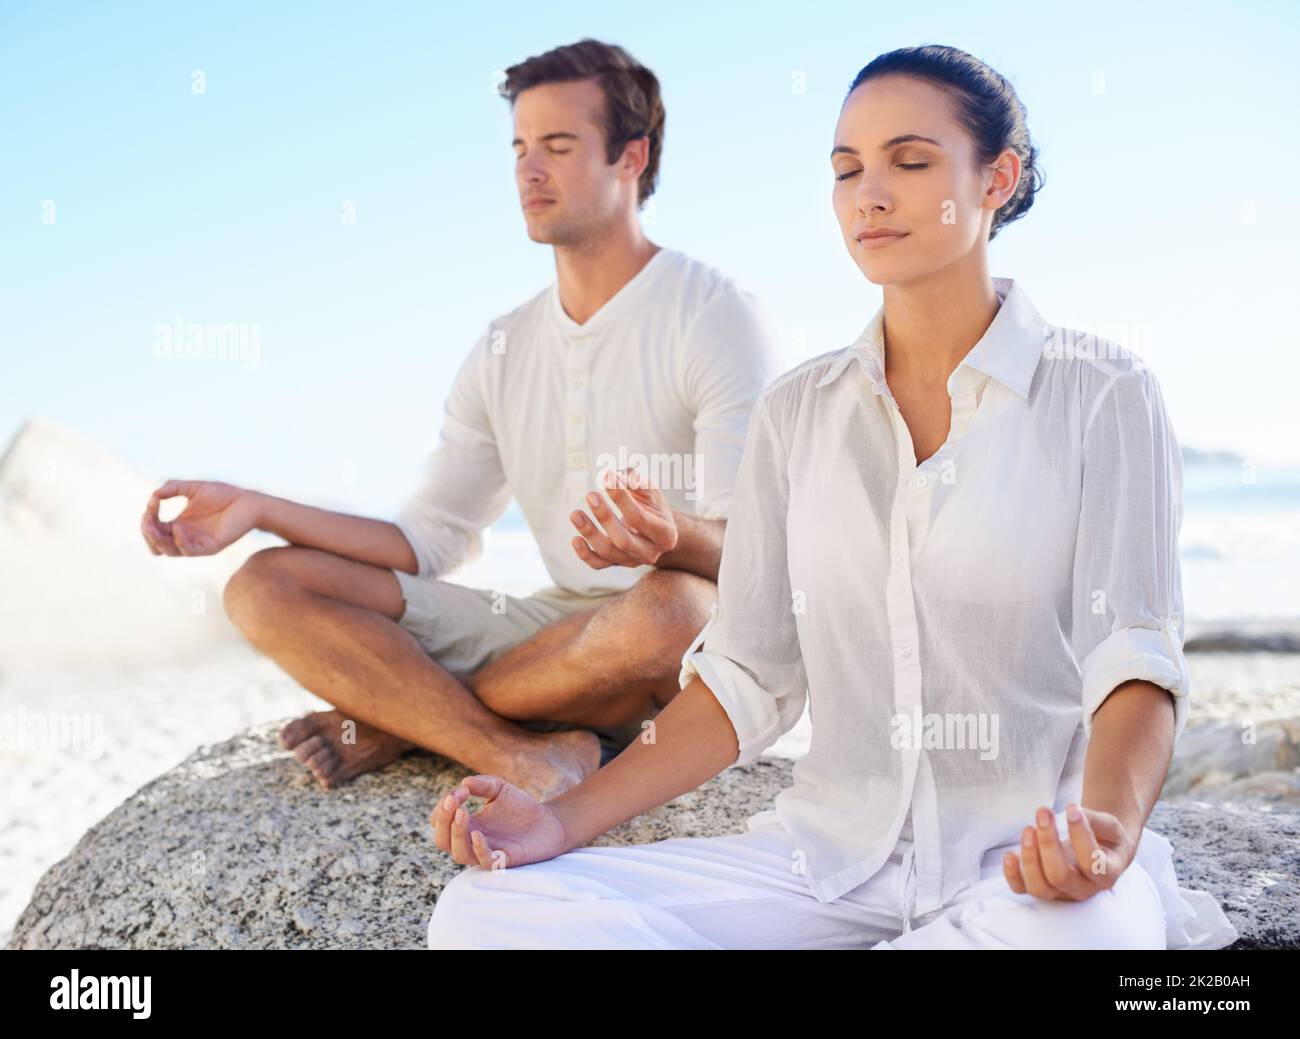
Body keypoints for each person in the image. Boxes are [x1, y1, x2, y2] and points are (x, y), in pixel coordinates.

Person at [423, 44, 1241, 950]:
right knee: (484, 911)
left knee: (1086, 941)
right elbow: (745, 678)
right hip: (826, 861)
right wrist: (560, 822)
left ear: (996, 179)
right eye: (847, 170)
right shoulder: (797, 412)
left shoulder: (1103, 391)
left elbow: (1133, 654)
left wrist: (1108, 829)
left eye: (911, 161)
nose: (869, 194)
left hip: (1029, 864)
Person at [138, 38, 779, 802]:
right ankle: (515, 752)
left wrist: (672, 535)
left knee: (676, 610)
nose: (529, 170)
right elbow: (424, 541)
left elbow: (756, 562)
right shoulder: (504, 345)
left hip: (659, 645)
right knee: (265, 586)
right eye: (519, 148)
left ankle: (406, 717)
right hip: (551, 632)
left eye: (559, 145)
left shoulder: (714, 313)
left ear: (631, 157)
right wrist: (259, 508)